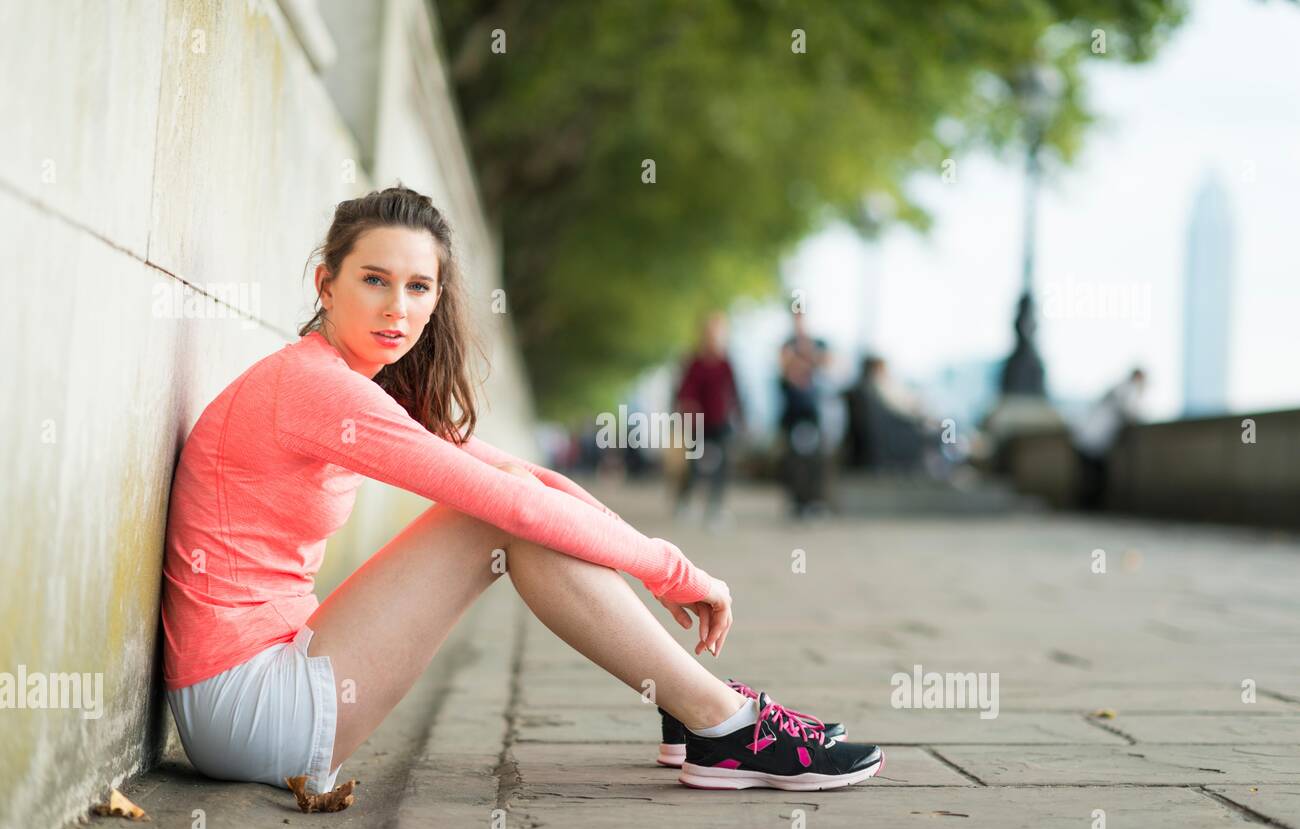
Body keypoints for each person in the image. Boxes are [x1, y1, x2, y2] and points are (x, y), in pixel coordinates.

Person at [160, 185, 883, 795]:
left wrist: (662, 567)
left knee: (506, 500)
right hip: (245, 707)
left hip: (272, 667)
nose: (398, 310)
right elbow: (511, 508)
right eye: (374, 280)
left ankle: (697, 706)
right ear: (326, 282)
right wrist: (667, 567)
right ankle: (721, 722)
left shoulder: (341, 383)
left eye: (419, 287)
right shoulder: (319, 391)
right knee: (492, 520)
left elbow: (530, 477)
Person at [673, 311, 744, 526]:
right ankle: (686, 501)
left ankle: (716, 506)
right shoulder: (695, 362)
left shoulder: (726, 364)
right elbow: (684, 390)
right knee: (694, 463)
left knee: (723, 464)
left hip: (720, 420)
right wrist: (685, 406)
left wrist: (740, 416)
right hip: (698, 422)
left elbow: (735, 391)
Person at [777, 311, 831, 518]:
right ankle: (797, 503)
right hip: (793, 415)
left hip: (813, 415)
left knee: (815, 461)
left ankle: (814, 502)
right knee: (794, 462)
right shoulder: (787, 345)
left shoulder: (817, 344)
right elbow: (784, 370)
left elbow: (828, 364)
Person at [1070, 367, 1147, 510]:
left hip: (1088, 436)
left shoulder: (1118, 388)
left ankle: (1087, 506)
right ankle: (1091, 507)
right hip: (1094, 438)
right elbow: (1130, 413)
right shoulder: (1126, 390)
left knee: (1089, 476)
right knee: (1095, 476)